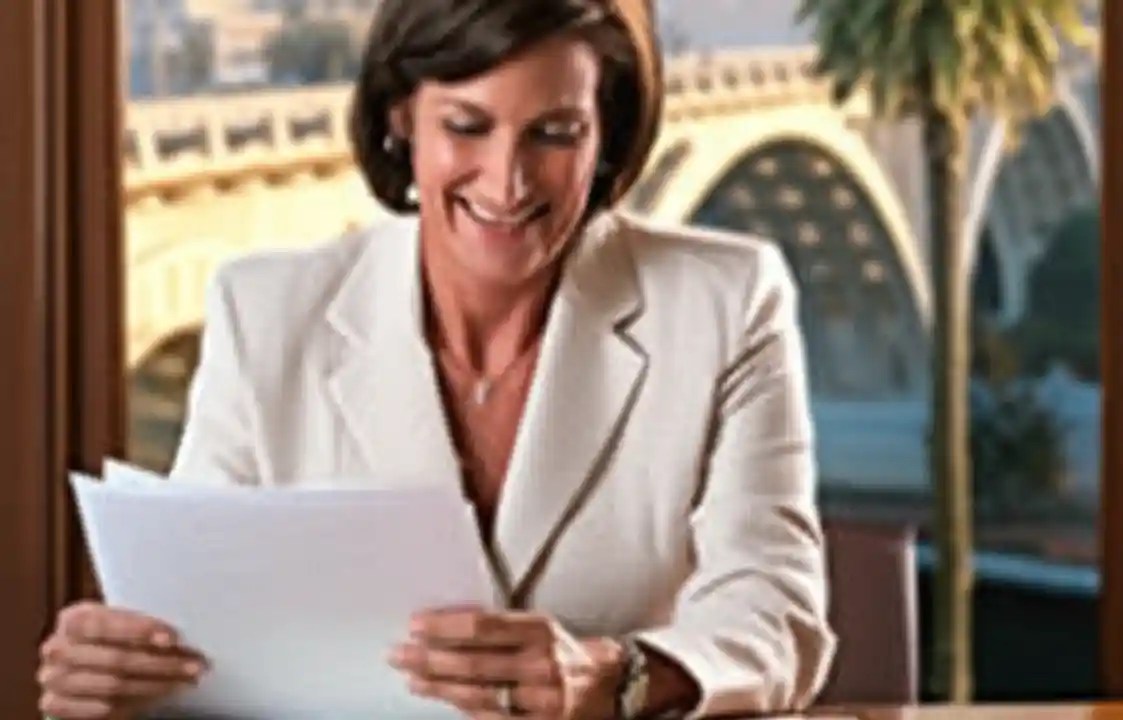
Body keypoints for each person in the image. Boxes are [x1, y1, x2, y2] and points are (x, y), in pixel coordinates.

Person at [36, 0, 835, 717]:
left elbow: (775, 609)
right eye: (467, 125)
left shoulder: (725, 302)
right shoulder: (265, 314)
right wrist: (119, 674)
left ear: (607, 135)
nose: (508, 180)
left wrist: (617, 676)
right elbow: (199, 628)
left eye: (554, 133)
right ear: (399, 120)